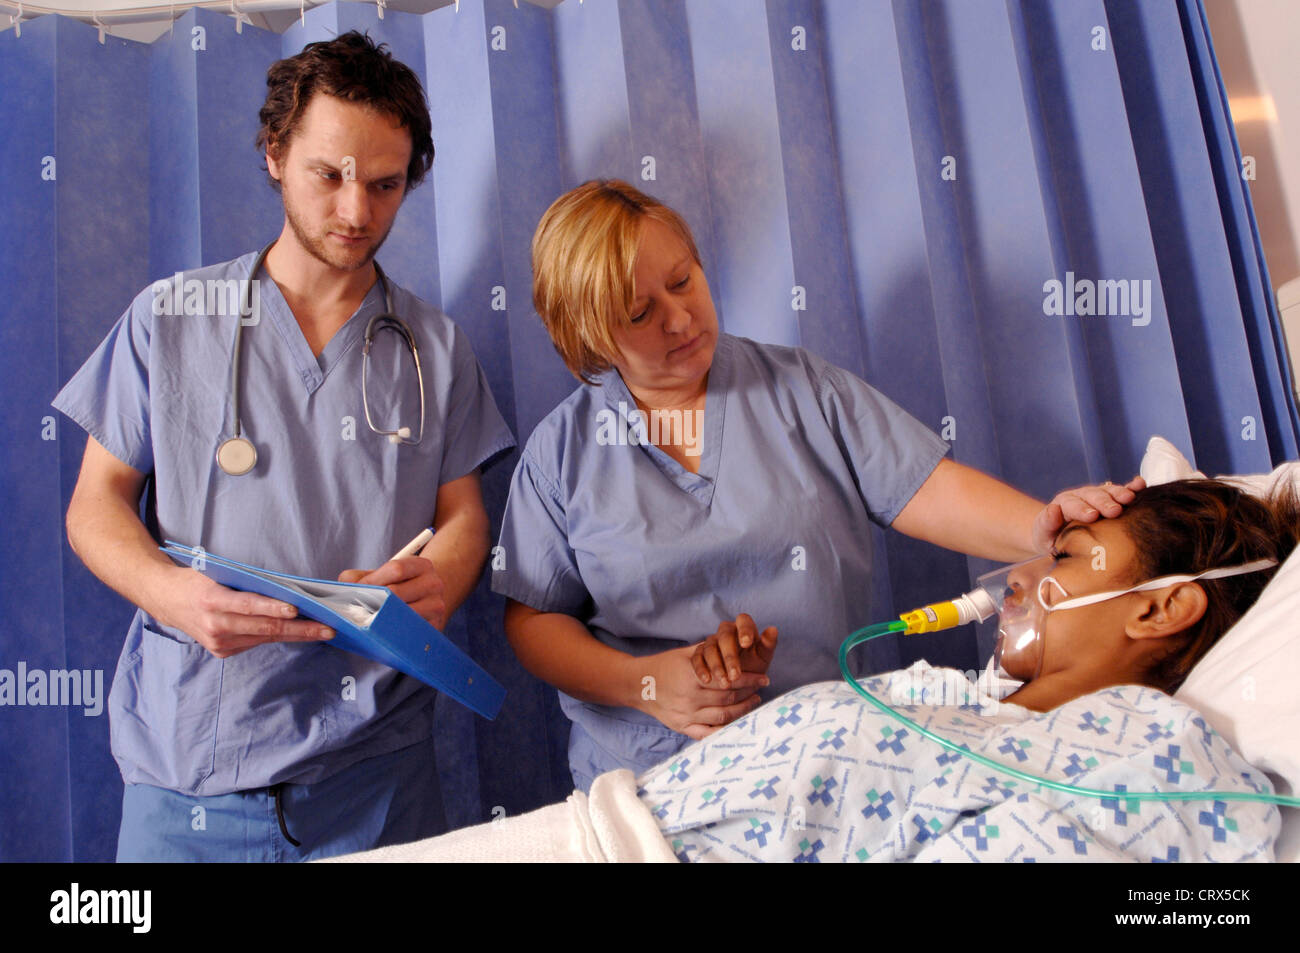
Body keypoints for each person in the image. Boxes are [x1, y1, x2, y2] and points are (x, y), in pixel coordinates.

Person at [493, 179, 1142, 793]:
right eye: (641, 312)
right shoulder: (563, 455)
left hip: (819, 756)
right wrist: (645, 683)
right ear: (592, 337)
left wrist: (1043, 527)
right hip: (645, 785)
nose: (680, 317)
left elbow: (924, 488)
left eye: (685, 279)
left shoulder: (803, 390)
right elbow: (534, 618)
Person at [51, 32, 514, 862]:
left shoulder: (434, 348)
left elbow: (465, 517)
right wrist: (173, 595)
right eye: (328, 175)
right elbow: (95, 508)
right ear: (274, 154)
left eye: (385, 184)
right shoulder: (170, 317)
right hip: (191, 768)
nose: (355, 211)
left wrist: (440, 577)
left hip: (376, 782)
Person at [333, 477, 1299, 863]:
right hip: (599, 829)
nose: (1026, 579)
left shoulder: (1162, 751)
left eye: (1075, 564)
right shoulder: (964, 703)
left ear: (1164, 605)